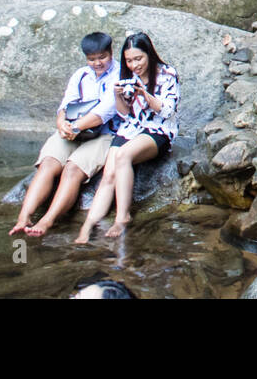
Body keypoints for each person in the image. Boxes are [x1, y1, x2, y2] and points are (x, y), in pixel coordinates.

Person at [10, 32, 119, 237]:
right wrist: (62, 123)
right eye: (92, 59)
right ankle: (23, 217)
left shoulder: (120, 75)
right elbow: (65, 104)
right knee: (48, 163)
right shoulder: (81, 75)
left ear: (111, 53)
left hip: (106, 133)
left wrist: (76, 127)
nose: (97, 63)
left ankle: (47, 220)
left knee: (72, 169)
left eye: (102, 58)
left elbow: (105, 111)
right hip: (73, 130)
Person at [75, 32, 179, 243]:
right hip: (130, 128)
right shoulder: (127, 75)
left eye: (138, 59)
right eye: (129, 60)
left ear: (149, 54)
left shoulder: (168, 73)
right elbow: (124, 114)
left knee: (123, 156)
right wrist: (117, 95)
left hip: (157, 130)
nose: (134, 65)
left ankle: (123, 217)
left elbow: (167, 111)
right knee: (108, 175)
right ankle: (86, 227)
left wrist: (144, 94)